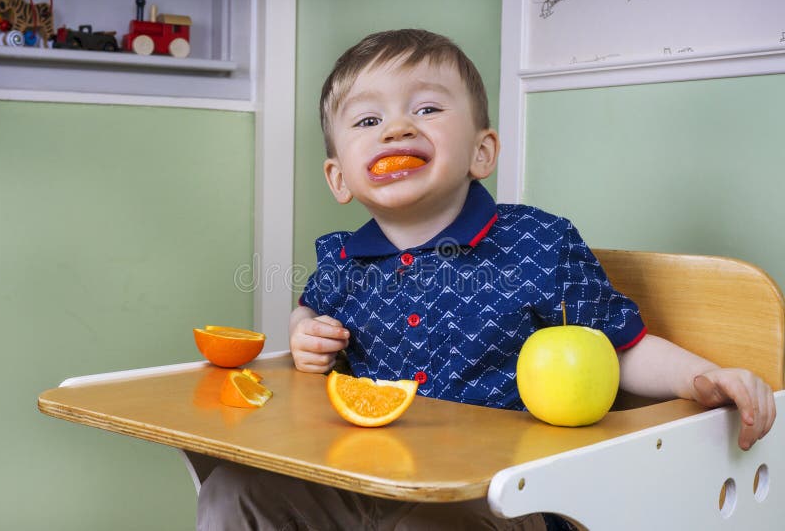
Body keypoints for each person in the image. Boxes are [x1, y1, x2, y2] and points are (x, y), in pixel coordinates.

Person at [197, 29, 776, 531]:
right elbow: (308, 308)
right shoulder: (343, 262)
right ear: (339, 177)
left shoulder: (537, 245)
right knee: (231, 490)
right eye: (369, 120)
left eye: (426, 110)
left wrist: (703, 376)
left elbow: (619, 348)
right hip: (362, 481)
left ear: (482, 151)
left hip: (495, 502)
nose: (397, 129)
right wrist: (304, 333)